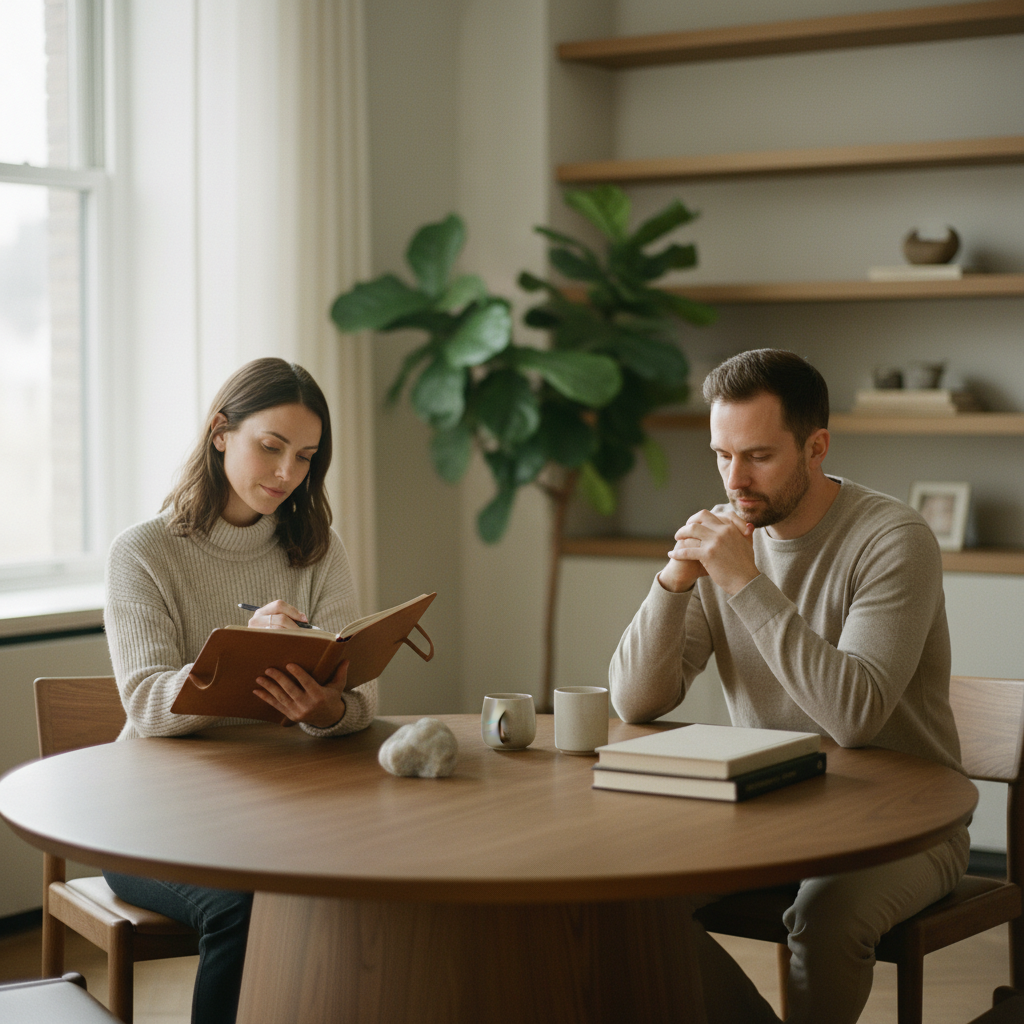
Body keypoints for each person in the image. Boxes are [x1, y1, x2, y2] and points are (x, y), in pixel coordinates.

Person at [609, 348, 968, 1024]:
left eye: (758, 456)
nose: (734, 480)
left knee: (825, 918)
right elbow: (636, 699)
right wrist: (673, 582)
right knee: (630, 897)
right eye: (721, 455)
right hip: (770, 815)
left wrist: (745, 583)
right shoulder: (724, 539)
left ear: (816, 447)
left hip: (907, 827)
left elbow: (854, 717)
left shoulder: (894, 539)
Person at [102, 357, 377, 1024]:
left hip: (283, 810)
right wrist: (239, 647)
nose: (287, 474)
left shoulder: (317, 548)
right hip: (153, 820)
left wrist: (327, 707)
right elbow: (144, 705)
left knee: (384, 882)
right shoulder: (143, 552)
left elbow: (364, 703)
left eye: (306, 457)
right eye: (271, 447)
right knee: (244, 906)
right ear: (221, 433)